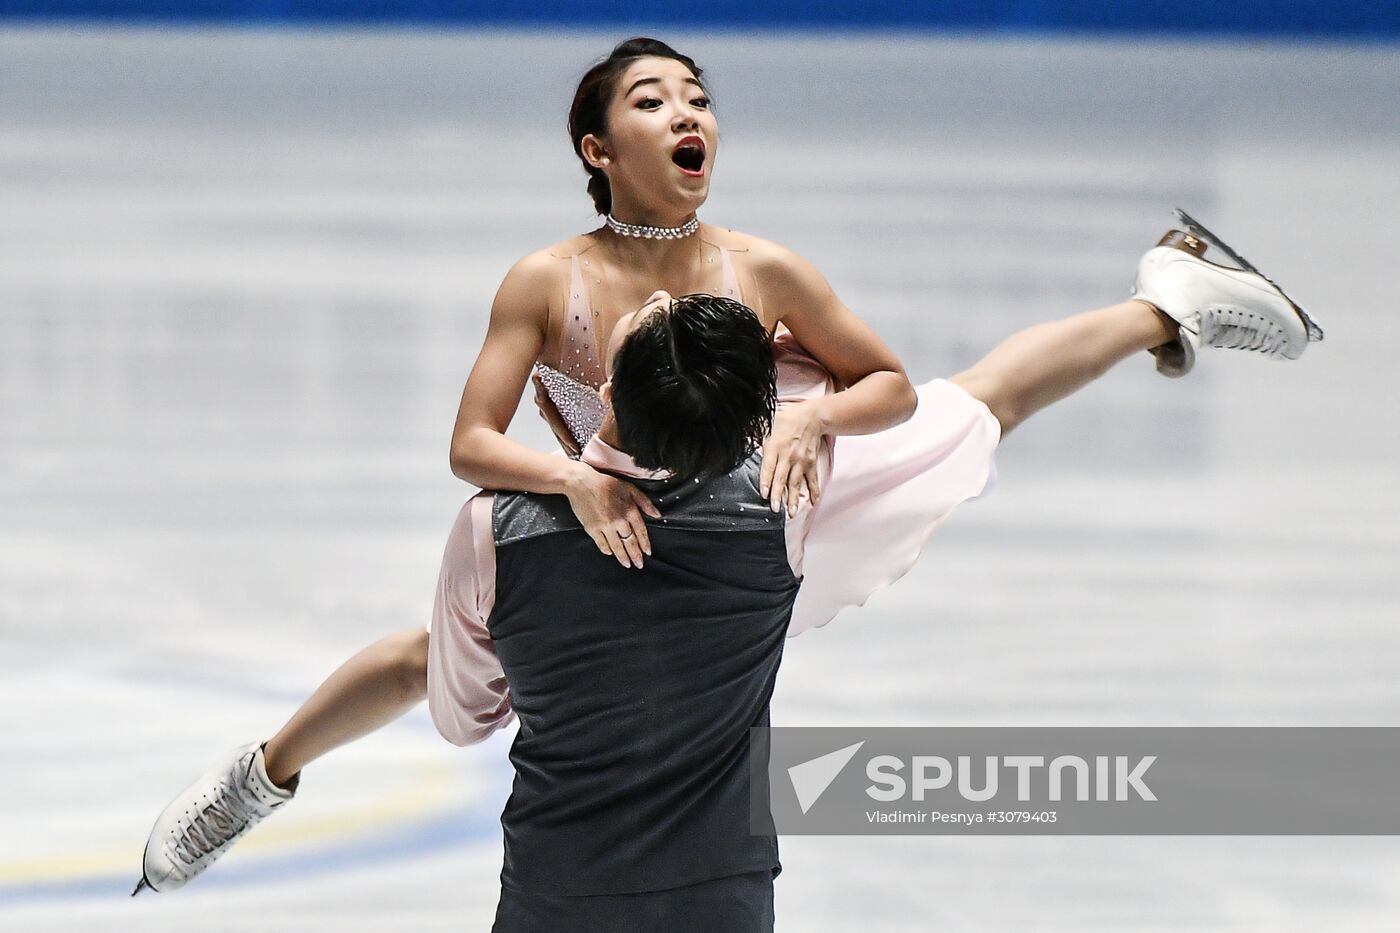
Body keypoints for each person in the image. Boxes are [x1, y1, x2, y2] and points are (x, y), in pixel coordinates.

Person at [133, 36, 1323, 896]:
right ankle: (257, 778)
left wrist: (814, 424)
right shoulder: (546, 281)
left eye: (696, 97)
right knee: (424, 650)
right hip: (612, 498)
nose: (686, 111)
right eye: (652, 100)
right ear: (598, 149)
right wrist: (577, 483)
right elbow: (472, 445)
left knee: (979, 402)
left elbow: (888, 382)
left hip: (774, 483)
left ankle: (1165, 304)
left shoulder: (760, 267)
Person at [434, 292, 803, 930]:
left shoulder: (493, 530)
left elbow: (464, 719)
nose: (657, 293)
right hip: (722, 896)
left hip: (558, 889)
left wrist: (576, 465)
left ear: (606, 394)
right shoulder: (784, 512)